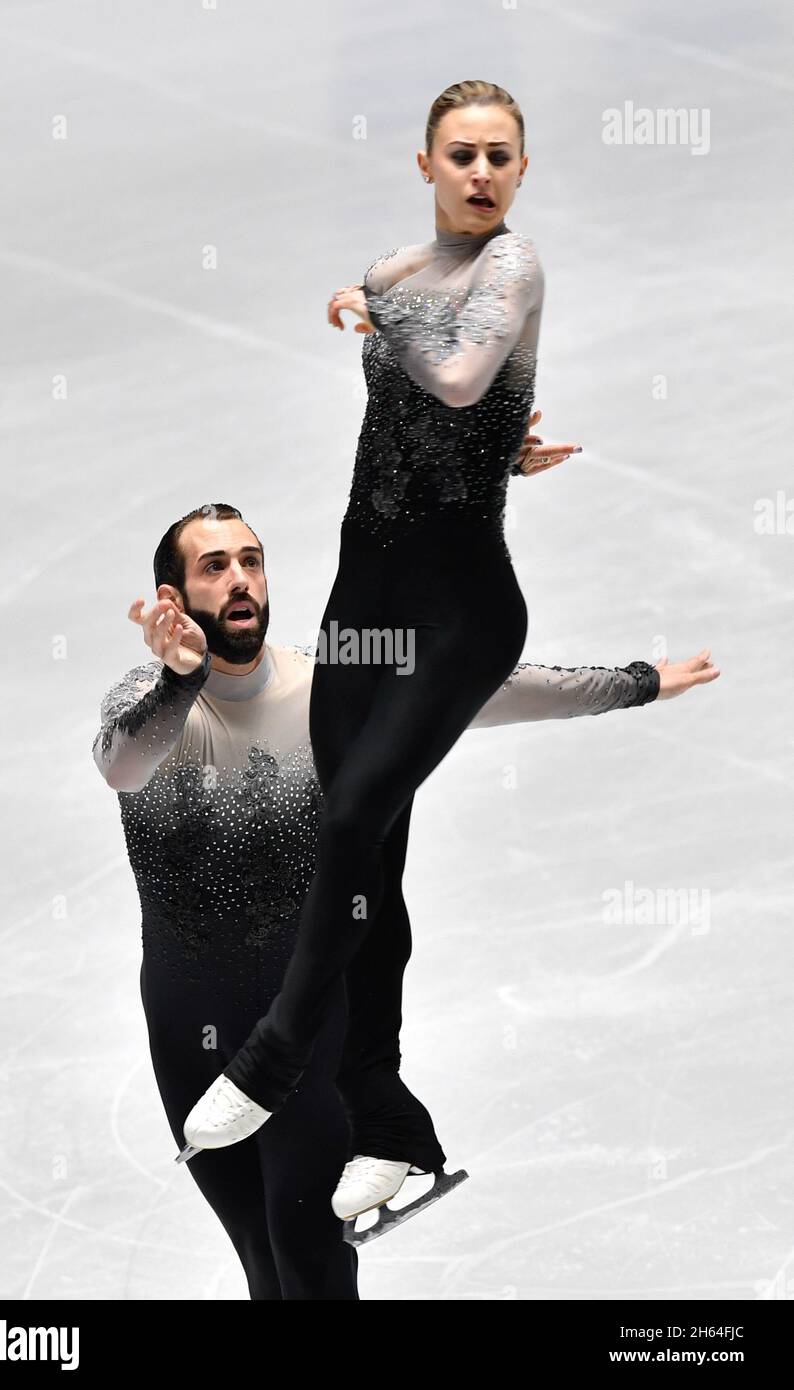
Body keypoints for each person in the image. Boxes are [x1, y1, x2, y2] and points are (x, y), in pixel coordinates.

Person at [93, 502, 717, 1297]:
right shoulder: (145, 702)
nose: (241, 579)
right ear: (171, 595)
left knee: (311, 1254)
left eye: (251, 559)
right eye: (215, 566)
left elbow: (485, 689)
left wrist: (634, 684)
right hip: (185, 1029)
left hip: (305, 1027)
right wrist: (180, 680)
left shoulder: (331, 687)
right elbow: (123, 766)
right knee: (259, 1254)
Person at [179, 79, 566, 1218]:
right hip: (365, 595)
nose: (481, 173)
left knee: (349, 819)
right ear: (425, 163)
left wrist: (370, 311)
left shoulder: (508, 267)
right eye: (461, 154)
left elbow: (453, 375)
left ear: (520, 170)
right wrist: (502, 448)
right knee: (363, 867)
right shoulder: (397, 269)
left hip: (461, 610)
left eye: (500, 155)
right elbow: (421, 419)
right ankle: (388, 1132)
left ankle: (272, 1056)